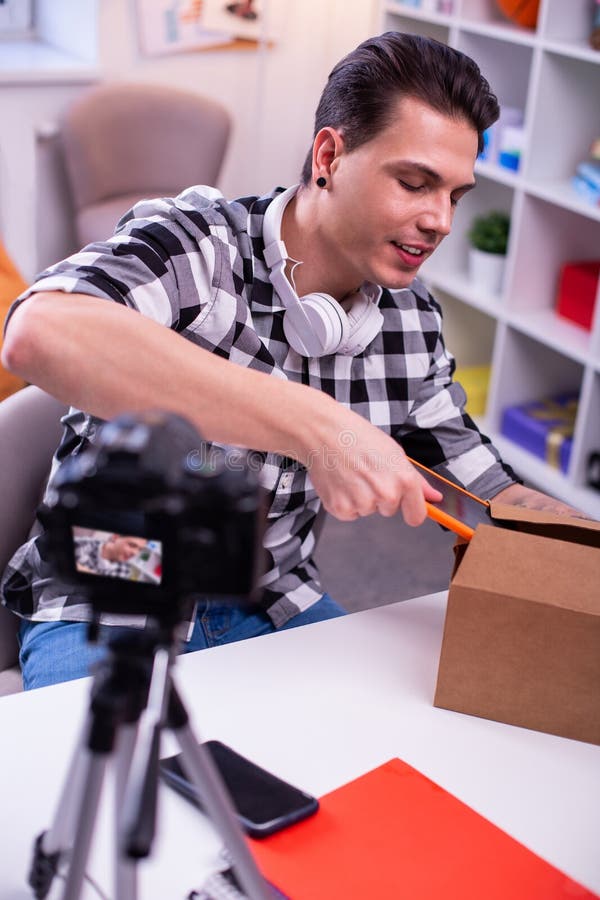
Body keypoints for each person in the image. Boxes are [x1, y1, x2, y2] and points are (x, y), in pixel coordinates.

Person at [1, 32, 576, 690]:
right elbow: (39, 332)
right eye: (415, 183)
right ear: (329, 154)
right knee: (127, 789)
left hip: (271, 601)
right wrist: (318, 426)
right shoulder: (200, 243)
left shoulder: (411, 322)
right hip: (110, 592)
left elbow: (497, 492)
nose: (440, 220)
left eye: (455, 195)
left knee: (377, 773)